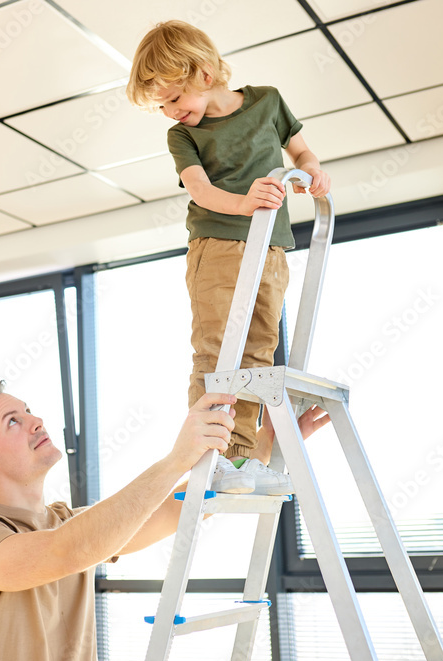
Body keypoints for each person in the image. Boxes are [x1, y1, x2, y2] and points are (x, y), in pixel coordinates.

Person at [0, 378, 330, 661]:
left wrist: (263, 449)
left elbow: (179, 506)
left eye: (27, 410)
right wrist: (177, 457)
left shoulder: (64, 521)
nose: (35, 420)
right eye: (12, 421)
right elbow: (67, 550)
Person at [126, 20, 333, 496]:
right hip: (218, 244)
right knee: (218, 351)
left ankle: (239, 459)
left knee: (258, 353)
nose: (170, 113)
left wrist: (312, 171)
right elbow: (200, 189)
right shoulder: (184, 137)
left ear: (203, 74)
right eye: (161, 106)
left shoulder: (268, 102)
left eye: (174, 99)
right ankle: (209, 456)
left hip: (272, 247)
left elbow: (301, 152)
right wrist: (244, 203)